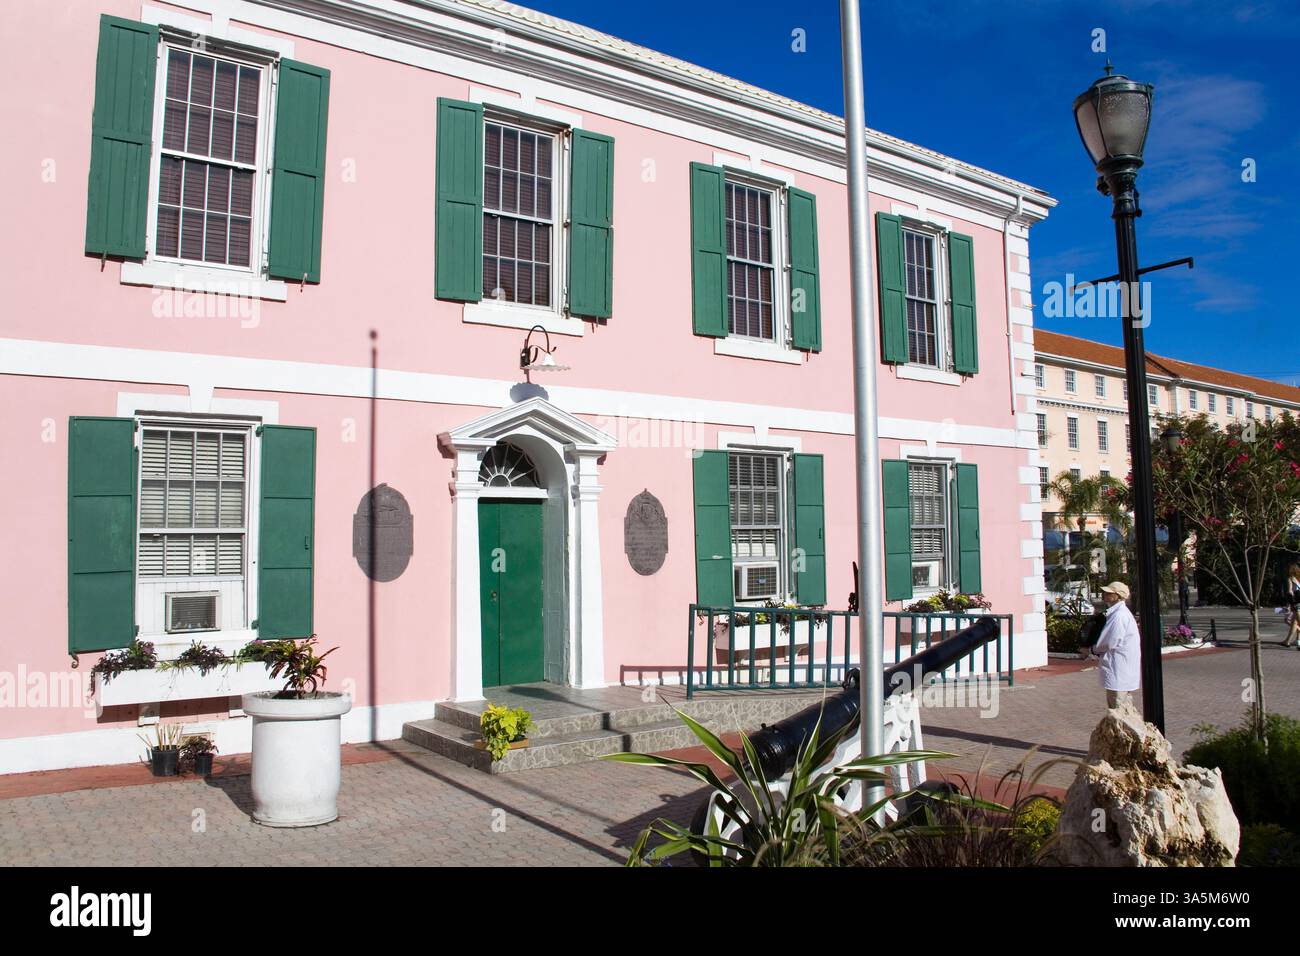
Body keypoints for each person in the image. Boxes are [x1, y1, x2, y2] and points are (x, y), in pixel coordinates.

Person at [1091, 581, 1140, 710]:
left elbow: (1110, 641)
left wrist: (1092, 649)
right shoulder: (1119, 614)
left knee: (1118, 712)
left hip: (1119, 672)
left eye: (1109, 593)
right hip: (1121, 671)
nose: (1105, 594)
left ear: (1117, 596)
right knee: (1122, 708)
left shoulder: (1119, 616)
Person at [1284, 565, 1300, 648]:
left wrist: (1288, 604)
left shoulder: (1290, 579)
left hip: (1296, 603)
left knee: (1289, 620)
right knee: (1295, 622)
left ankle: (1288, 641)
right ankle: (1294, 641)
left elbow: (1290, 592)